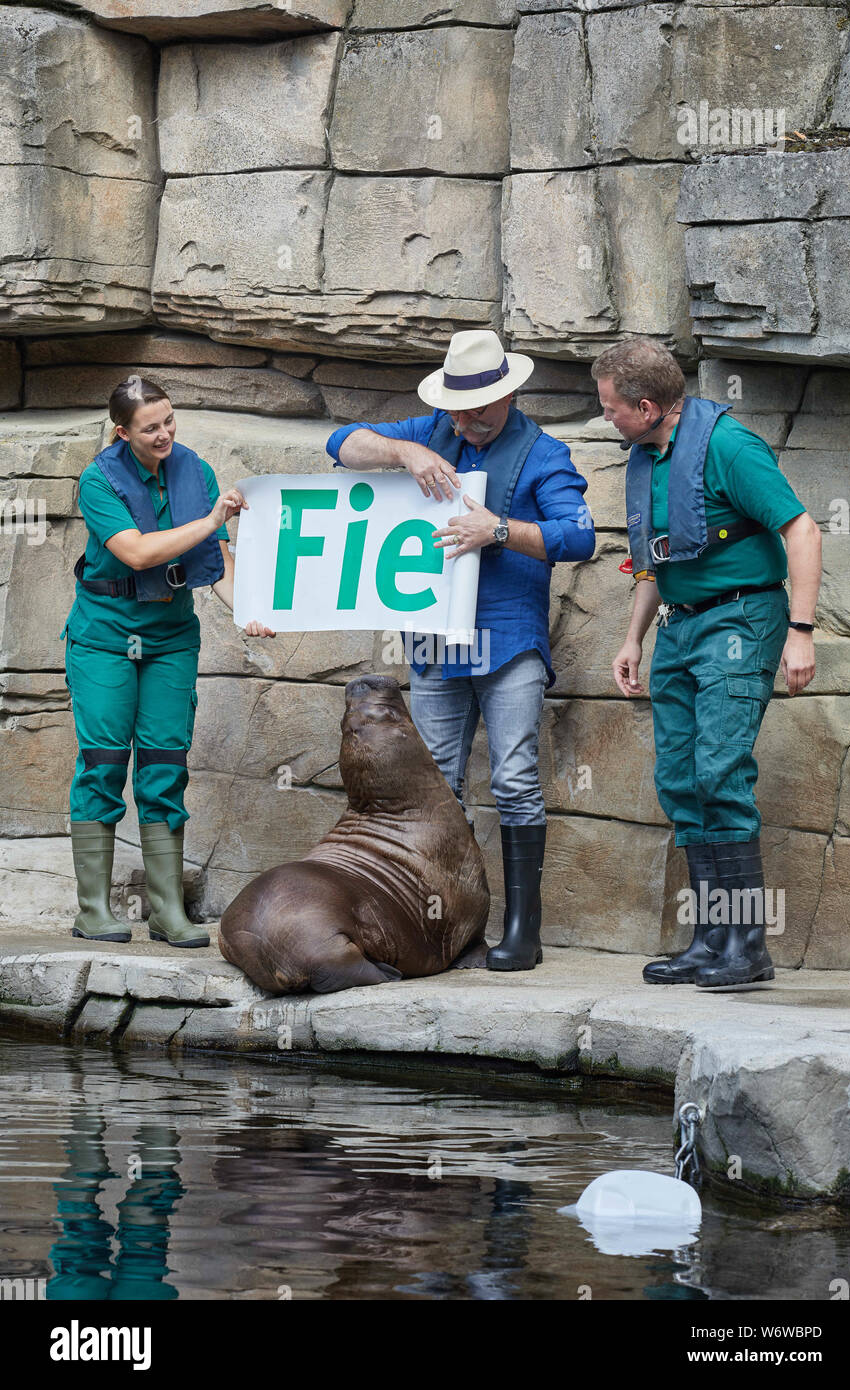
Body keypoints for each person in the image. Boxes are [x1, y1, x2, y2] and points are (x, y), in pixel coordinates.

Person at [325, 329, 596, 971]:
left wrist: (498, 529)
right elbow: (340, 442)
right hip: (437, 641)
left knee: (514, 778)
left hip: (509, 640)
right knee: (440, 785)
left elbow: (579, 536)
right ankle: (452, 930)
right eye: (456, 408)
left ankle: (522, 933)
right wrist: (406, 453)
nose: (466, 420)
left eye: (478, 408)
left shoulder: (544, 453)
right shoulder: (435, 430)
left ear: (508, 394)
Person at [596, 338, 821, 988]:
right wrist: (633, 637)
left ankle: (747, 948)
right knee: (682, 781)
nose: (605, 417)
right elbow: (655, 560)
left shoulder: (729, 447)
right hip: (680, 627)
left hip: (739, 619)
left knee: (720, 772)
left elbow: (802, 530)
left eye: (611, 408)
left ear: (645, 405)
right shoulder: (646, 457)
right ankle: (711, 942)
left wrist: (800, 632)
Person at [60, 375, 275, 948]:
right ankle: (93, 909)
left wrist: (245, 610)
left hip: (170, 636)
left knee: (163, 764)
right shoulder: (99, 480)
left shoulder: (195, 471)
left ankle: (166, 911)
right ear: (122, 431)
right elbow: (134, 551)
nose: (164, 434)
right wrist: (210, 520)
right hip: (106, 634)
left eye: (169, 420)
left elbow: (216, 558)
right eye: (150, 427)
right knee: (104, 762)